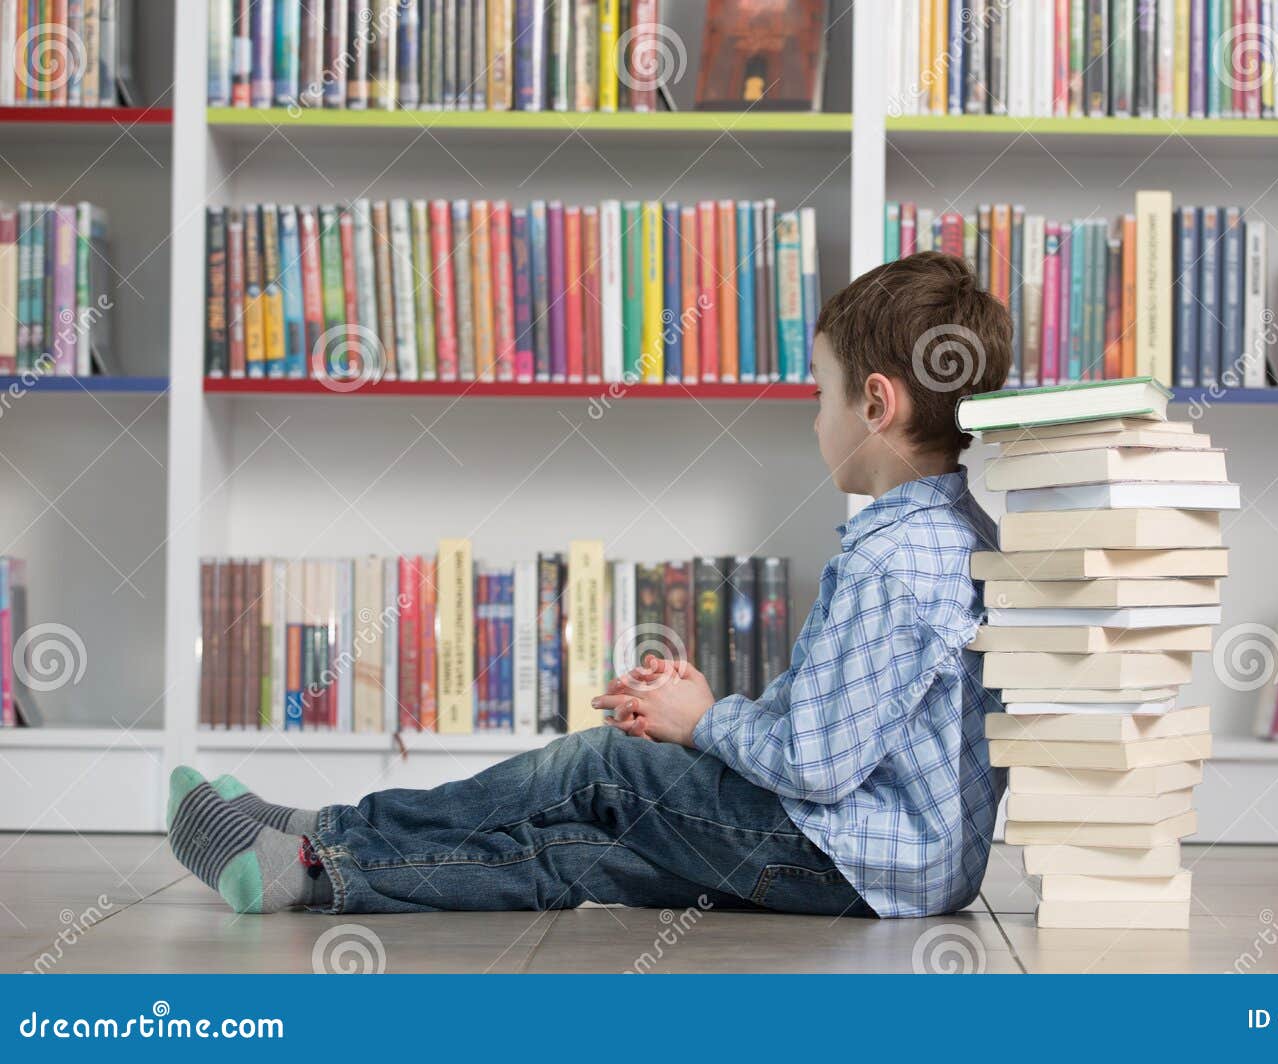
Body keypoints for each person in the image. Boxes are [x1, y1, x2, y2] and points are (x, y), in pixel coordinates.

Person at [165, 251, 1011, 919]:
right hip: (911, 865)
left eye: (820, 394)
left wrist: (706, 722)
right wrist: (710, 720)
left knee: (603, 767)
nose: (812, 418)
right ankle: (314, 873)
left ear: (875, 405)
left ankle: (333, 836)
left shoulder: (885, 563)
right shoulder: (953, 535)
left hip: (849, 853)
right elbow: (837, 725)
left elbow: (818, 767)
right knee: (575, 849)